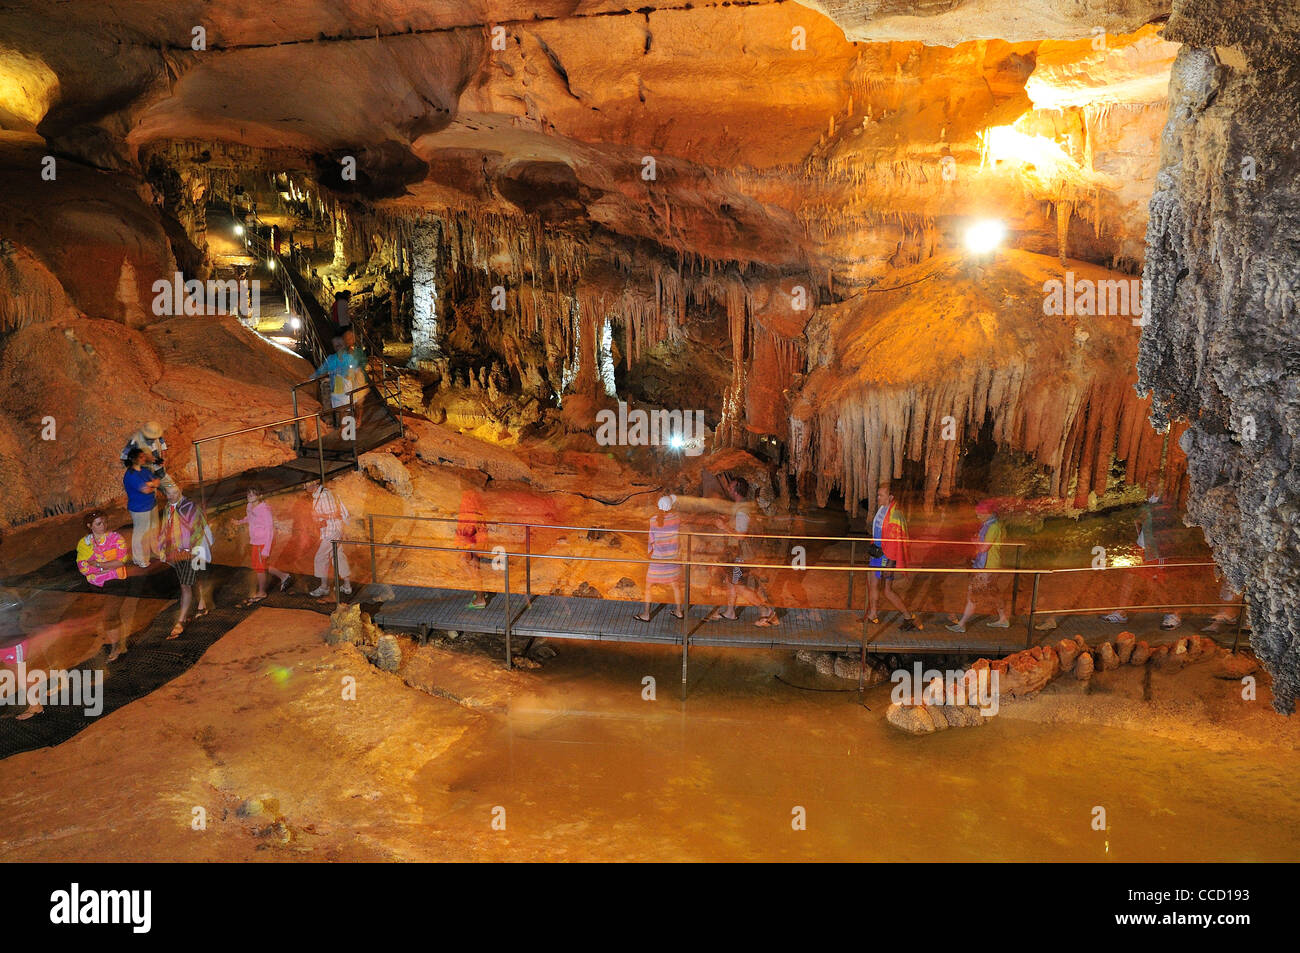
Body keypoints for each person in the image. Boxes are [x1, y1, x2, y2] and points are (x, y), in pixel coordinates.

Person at [1101, 487, 1180, 629]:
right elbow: (1138, 519)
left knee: (1155, 583)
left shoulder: (1167, 498)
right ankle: (1121, 612)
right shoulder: (1149, 498)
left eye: (1152, 481)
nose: (1149, 483)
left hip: (1156, 548)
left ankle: (1173, 613)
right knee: (1129, 577)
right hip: (1141, 546)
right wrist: (1141, 537)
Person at [706, 475, 778, 626]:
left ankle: (766, 611)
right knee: (731, 583)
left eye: (730, 487)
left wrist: (723, 526)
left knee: (739, 586)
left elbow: (740, 535)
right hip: (735, 553)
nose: (728, 488)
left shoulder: (742, 510)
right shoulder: (740, 506)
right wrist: (726, 520)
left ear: (736, 490)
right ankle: (730, 612)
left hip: (741, 555)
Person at [156, 478, 213, 639]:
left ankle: (180, 621)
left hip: (190, 552)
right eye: (169, 493)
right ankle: (202, 605)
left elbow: (197, 529)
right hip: (176, 552)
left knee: (185, 586)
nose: (172, 496)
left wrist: (191, 550)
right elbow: (166, 528)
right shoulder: (168, 508)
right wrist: (162, 547)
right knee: (194, 578)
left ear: (180, 490)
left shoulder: (190, 507)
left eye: (175, 492)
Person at [75, 511, 136, 661]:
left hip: (117, 582)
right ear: (89, 526)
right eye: (98, 524)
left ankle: (116, 646)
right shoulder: (84, 543)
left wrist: (97, 564)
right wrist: (107, 566)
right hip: (96, 585)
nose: (103, 526)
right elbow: (83, 568)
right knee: (110, 616)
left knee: (109, 616)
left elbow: (121, 561)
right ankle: (119, 642)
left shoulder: (116, 538)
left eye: (104, 522)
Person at [864, 481, 922, 630]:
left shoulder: (895, 515)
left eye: (880, 495)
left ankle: (908, 617)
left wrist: (890, 563)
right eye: (878, 494)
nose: (878, 497)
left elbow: (896, 542)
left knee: (887, 590)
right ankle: (873, 615)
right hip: (877, 552)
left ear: (890, 497)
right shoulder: (883, 510)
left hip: (885, 556)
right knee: (873, 584)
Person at [947, 499, 1010, 633]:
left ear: (987, 513)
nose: (977, 516)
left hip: (986, 567)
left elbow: (983, 549)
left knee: (973, 594)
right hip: (992, 565)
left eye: (979, 513)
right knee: (994, 593)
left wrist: (975, 541)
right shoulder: (991, 524)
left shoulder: (992, 527)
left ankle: (962, 624)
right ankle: (1003, 619)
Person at [234, 484, 292, 605]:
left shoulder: (264, 510)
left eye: (252, 494)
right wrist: (239, 522)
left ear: (260, 496)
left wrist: (266, 549)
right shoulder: (249, 506)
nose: (249, 496)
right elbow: (249, 518)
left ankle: (262, 592)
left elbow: (270, 530)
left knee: (260, 568)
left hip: (264, 541)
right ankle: (284, 576)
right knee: (260, 565)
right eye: (248, 494)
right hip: (255, 541)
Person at [636, 494, 684, 622]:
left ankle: (646, 614)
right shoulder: (676, 518)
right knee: (675, 586)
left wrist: (650, 552)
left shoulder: (653, 520)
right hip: (673, 559)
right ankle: (679, 611)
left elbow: (651, 541)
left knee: (648, 586)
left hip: (658, 560)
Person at [309, 479, 352, 598]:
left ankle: (324, 587)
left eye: (306, 483)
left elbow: (334, 514)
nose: (304, 486)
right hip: (334, 530)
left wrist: (318, 516)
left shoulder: (323, 495)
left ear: (315, 483)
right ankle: (347, 586)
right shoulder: (324, 494)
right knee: (338, 555)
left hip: (331, 531)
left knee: (320, 557)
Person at [122, 447, 161, 568]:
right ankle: (139, 559)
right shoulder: (131, 475)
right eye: (141, 457)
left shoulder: (143, 471)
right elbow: (146, 490)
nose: (144, 458)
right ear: (134, 459)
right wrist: (151, 484)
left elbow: (157, 481)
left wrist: (151, 484)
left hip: (151, 504)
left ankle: (155, 551)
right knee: (141, 533)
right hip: (139, 508)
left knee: (154, 529)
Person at [456, 489, 490, 609]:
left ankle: (480, 598)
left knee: (471, 566)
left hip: (471, 539)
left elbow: (467, 521)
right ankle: (481, 592)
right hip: (478, 537)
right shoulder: (477, 497)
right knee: (475, 566)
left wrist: (464, 542)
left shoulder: (467, 497)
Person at [316, 335, 359, 418]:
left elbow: (354, 370)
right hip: (339, 386)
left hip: (347, 385)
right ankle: (342, 426)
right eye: (336, 346)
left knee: (347, 407)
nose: (338, 348)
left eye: (339, 345)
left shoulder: (349, 357)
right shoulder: (332, 358)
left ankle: (347, 425)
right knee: (341, 408)